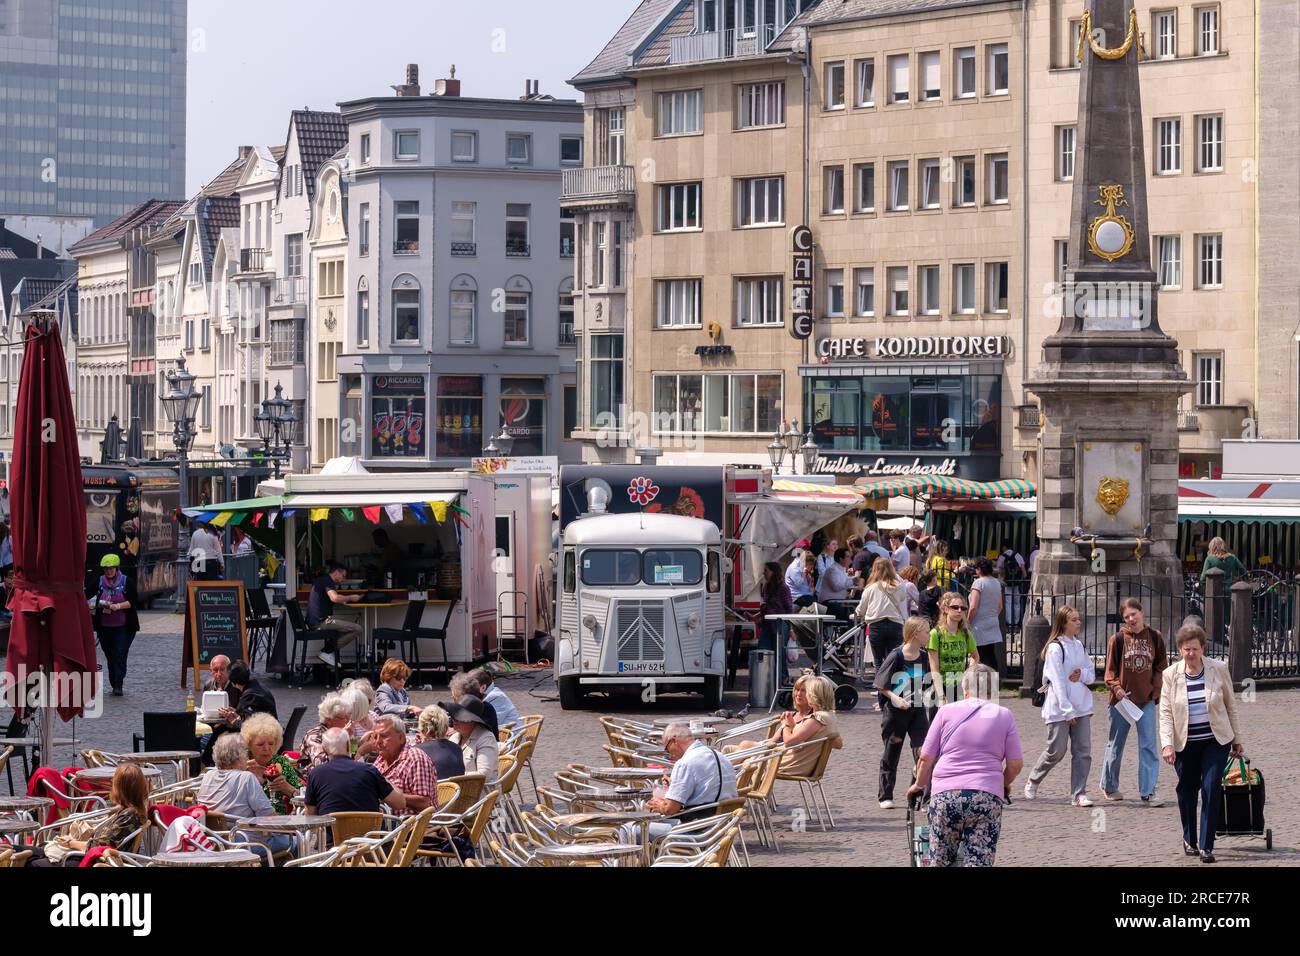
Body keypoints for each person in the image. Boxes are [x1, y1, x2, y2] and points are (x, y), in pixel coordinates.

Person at [907, 665, 1023, 867]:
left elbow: (926, 758)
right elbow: (1015, 764)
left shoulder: (945, 712)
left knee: (940, 860)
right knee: (979, 860)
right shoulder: (1003, 714)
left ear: (964, 686)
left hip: (945, 795)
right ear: (992, 689)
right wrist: (1002, 783)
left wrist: (918, 785)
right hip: (985, 796)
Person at [1159, 624, 1244, 863]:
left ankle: (1207, 845)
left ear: (1203, 648)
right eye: (1186, 650)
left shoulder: (1218, 669)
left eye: (1195, 649)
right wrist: (1166, 744)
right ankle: (1190, 838)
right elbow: (1165, 712)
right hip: (1184, 744)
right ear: (1180, 650)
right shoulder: (1170, 675)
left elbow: (1231, 706)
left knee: (1211, 787)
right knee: (1187, 791)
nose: (1191, 654)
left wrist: (1237, 740)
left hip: (1215, 741)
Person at [1023, 605, 1095, 807]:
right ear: (1063, 623)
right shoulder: (1055, 648)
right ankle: (1034, 779)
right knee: (1056, 750)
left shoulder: (1079, 645)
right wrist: (1067, 710)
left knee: (1083, 751)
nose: (1078, 622)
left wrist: (1082, 674)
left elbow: (1090, 673)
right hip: (1059, 709)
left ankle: (1079, 793)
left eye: (1078, 619)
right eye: (1074, 619)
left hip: (1082, 706)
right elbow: (1057, 681)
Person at [1100, 598, 1168, 805]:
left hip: (1145, 700)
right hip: (1122, 701)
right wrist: (1117, 689)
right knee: (1116, 745)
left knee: (1148, 746)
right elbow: (1109, 671)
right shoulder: (1117, 639)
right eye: (1127, 616)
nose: (1131, 619)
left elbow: (1161, 666)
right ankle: (1109, 785)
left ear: (1142, 612)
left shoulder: (1155, 637)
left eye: (1133, 614)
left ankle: (1148, 792)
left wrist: (1155, 691)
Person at [28, 764, 151, 867]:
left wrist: (70, 843)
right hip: (89, 855)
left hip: (91, 860)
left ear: (119, 788)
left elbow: (99, 846)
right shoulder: (130, 811)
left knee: (33, 863)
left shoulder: (129, 815)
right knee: (27, 852)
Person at [198, 735, 296, 859]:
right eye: (245, 754)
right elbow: (269, 819)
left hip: (214, 842)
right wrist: (292, 823)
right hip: (246, 844)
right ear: (239, 758)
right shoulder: (246, 778)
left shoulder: (208, 775)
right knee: (298, 841)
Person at [722, 673, 842, 772]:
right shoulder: (828, 717)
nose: (799, 694)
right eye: (797, 690)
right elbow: (837, 742)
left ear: (814, 695)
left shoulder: (816, 719)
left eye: (806, 692)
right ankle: (721, 780)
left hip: (789, 762)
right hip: (788, 757)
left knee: (746, 757)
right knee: (730, 750)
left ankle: (722, 783)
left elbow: (789, 742)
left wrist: (787, 724)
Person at [874, 617, 934, 809]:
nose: (929, 635)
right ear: (915, 633)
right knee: (892, 752)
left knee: (924, 753)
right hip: (896, 712)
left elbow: (928, 682)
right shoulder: (896, 656)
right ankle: (885, 795)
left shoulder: (925, 657)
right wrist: (895, 698)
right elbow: (881, 684)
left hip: (917, 711)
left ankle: (922, 796)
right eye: (926, 631)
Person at [647, 722, 738, 837]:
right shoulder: (721, 756)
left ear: (674, 740)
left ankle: (660, 854)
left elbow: (670, 809)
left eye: (667, 748)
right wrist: (675, 786)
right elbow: (707, 789)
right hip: (721, 828)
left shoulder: (685, 763)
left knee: (630, 829)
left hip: (697, 831)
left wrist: (660, 804)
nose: (668, 754)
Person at [304, 727, 408, 817]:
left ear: (325, 749)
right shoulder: (369, 771)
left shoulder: (316, 774)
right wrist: (379, 776)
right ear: (348, 746)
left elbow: (310, 815)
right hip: (369, 838)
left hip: (330, 839)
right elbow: (400, 803)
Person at [357, 713, 438, 815]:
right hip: (387, 825)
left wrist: (388, 796)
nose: (378, 742)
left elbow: (424, 803)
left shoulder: (415, 758)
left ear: (401, 737)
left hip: (412, 826)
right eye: (375, 736)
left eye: (384, 736)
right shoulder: (381, 759)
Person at [88, 553, 139, 696]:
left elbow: (133, 601)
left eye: (111, 568)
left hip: (123, 626)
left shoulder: (126, 581)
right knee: (110, 655)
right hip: (104, 626)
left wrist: (118, 606)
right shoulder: (98, 582)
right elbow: (86, 595)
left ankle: (118, 684)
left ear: (116, 568)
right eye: (106, 569)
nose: (108, 571)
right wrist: (91, 605)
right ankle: (113, 681)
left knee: (120, 653)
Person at [241, 712, 304, 815]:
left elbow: (304, 797)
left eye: (271, 743)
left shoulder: (280, 762)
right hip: (248, 819)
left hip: (277, 821)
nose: (266, 748)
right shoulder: (243, 764)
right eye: (260, 744)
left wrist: (287, 788)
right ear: (249, 745)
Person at [854, 557, 908, 674]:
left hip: (876, 625)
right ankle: (892, 688)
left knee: (878, 661)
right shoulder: (898, 586)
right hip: (895, 624)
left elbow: (861, 609)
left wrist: (857, 613)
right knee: (893, 660)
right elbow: (903, 597)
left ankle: (881, 689)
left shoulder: (870, 588)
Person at [307, 561, 363, 668]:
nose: (344, 579)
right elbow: (334, 597)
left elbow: (332, 598)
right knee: (357, 628)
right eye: (343, 576)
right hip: (322, 622)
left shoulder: (323, 580)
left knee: (344, 629)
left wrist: (344, 600)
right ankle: (327, 651)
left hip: (316, 621)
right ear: (337, 572)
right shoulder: (328, 581)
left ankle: (328, 651)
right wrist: (351, 597)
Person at [927, 592, 978, 706]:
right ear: (945, 609)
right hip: (941, 687)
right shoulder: (936, 634)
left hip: (960, 688)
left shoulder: (965, 634)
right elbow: (934, 669)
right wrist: (941, 697)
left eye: (963, 608)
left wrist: (967, 675)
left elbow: (975, 656)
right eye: (955, 607)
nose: (959, 610)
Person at [752, 562, 793, 689]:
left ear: (773, 572)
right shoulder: (766, 586)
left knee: (779, 653)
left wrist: (791, 628)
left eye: (766, 570)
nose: (764, 573)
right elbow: (767, 606)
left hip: (779, 624)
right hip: (767, 623)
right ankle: (764, 680)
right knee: (762, 651)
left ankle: (783, 680)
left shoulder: (783, 588)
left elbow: (788, 608)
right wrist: (758, 616)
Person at [442, 695, 499, 779]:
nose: (454, 720)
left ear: (472, 721)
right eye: (453, 715)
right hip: (455, 788)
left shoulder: (486, 738)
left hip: (480, 790)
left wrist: (455, 776)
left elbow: (484, 774)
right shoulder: (454, 737)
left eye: (459, 717)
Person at [968, 557, 1004, 674]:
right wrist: (992, 616)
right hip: (993, 621)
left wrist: (967, 622)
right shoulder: (996, 583)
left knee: (980, 655)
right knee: (990, 654)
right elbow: (1000, 607)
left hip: (979, 623)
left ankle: (982, 685)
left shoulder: (978, 583)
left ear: (979, 569)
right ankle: (994, 684)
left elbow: (973, 607)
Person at [298, 692, 354, 769]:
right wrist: (339, 739)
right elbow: (321, 764)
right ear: (329, 719)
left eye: (349, 716)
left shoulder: (341, 733)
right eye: (344, 718)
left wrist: (354, 741)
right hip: (313, 778)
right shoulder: (314, 736)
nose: (348, 721)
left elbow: (352, 758)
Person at [416, 704, 466, 781]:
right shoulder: (457, 749)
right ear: (446, 728)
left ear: (422, 729)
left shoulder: (416, 752)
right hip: (457, 792)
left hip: (432, 792)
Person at [450, 672, 499, 737]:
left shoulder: (485, 709)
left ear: (465, 698)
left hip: (484, 744)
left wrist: (455, 730)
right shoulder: (460, 708)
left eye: (455, 697)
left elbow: (475, 731)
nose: (452, 699)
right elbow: (449, 722)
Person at [996, 543, 1027, 629]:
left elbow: (999, 569)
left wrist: (1000, 581)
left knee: (1008, 602)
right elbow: (1023, 568)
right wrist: (1024, 579)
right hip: (1016, 583)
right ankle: (1016, 622)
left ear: (1004, 547)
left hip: (1007, 583)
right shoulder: (1017, 555)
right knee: (1017, 603)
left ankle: (1009, 623)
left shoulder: (1002, 557)